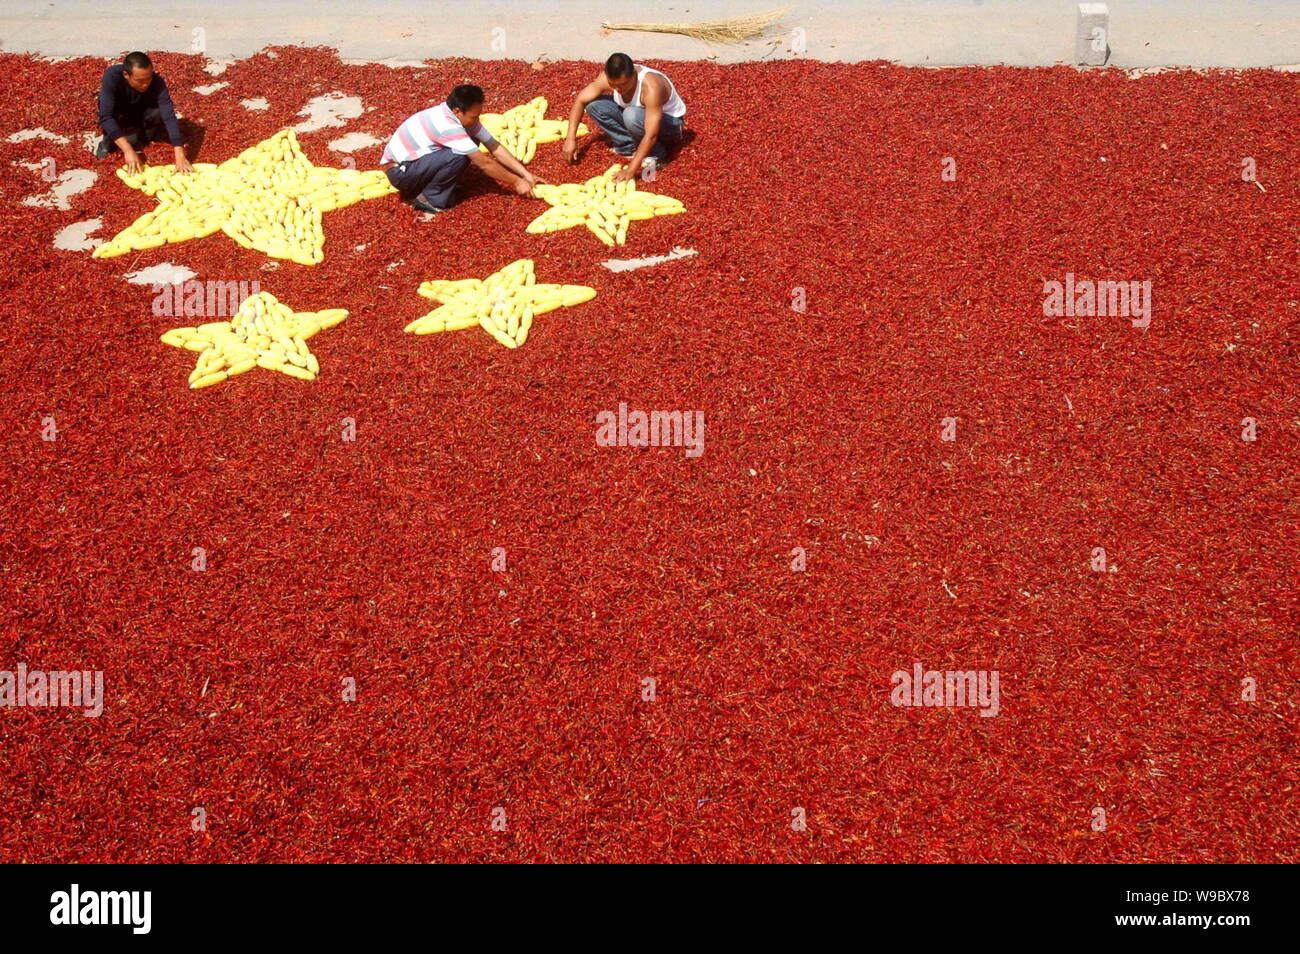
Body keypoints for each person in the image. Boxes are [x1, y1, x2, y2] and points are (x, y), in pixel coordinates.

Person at [381, 84, 542, 213]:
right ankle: (429, 198)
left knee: (471, 142)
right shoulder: (448, 126)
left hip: (415, 164)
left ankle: (435, 184)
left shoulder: (460, 118)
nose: (477, 120)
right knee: (459, 155)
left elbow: (494, 146)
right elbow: (484, 163)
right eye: (474, 116)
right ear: (457, 111)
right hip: (400, 173)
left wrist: (525, 174)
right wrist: (516, 182)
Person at [563, 53, 686, 182]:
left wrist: (630, 170)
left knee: (631, 115)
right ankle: (629, 146)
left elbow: (651, 134)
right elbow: (581, 100)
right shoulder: (606, 79)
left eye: (622, 85)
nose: (617, 89)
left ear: (633, 75)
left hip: (670, 126)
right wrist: (570, 139)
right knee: (593, 105)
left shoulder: (651, 87)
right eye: (613, 84)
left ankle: (657, 155)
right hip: (638, 118)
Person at [95, 51, 192, 174]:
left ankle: (140, 136)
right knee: (116, 136)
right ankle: (106, 143)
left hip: (142, 111)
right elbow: (106, 117)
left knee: (158, 113)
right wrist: (127, 150)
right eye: (140, 81)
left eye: (149, 78)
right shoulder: (112, 77)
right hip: (120, 112)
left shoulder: (157, 82)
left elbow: (169, 116)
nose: (146, 84)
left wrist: (180, 154)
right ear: (126, 75)